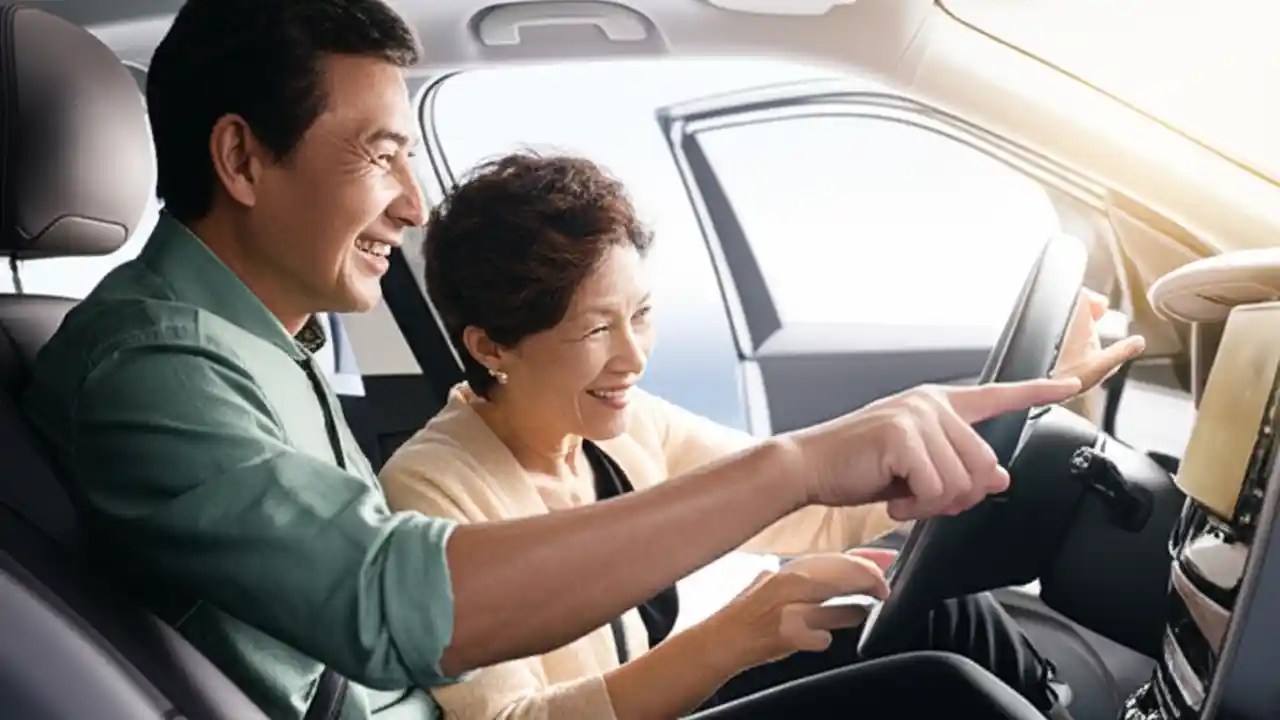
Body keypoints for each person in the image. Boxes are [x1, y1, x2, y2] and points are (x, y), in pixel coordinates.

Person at [22, 1, 1110, 719]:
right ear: (240, 159)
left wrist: (933, 439)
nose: (409, 204)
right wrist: (786, 478)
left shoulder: (254, 346)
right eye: (379, 156)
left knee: (929, 644)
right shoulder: (153, 362)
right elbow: (387, 604)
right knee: (936, 696)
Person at [378, 152, 1146, 719]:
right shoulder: (433, 492)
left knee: (935, 605)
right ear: (490, 347)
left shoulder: (618, 425)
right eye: (595, 330)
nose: (634, 356)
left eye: (641, 315)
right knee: (947, 692)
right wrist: (736, 636)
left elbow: (812, 505)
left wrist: (1007, 406)